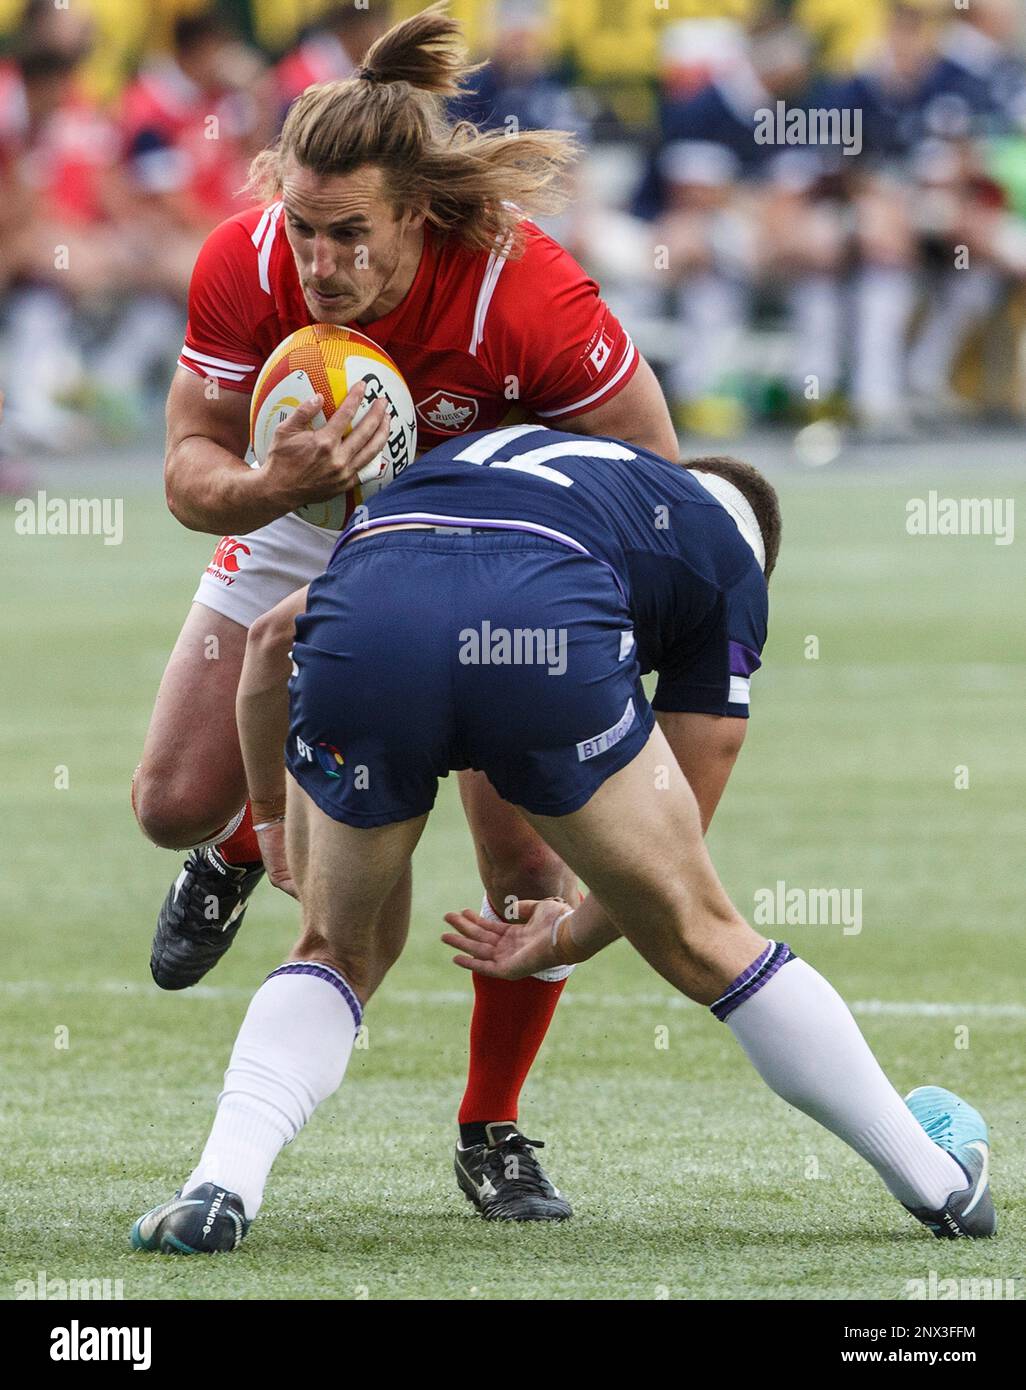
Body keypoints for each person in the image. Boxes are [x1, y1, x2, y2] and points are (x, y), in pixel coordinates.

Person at [130, 421, 994, 1253]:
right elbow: (676, 845)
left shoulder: (529, 469)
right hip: (543, 628)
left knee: (336, 950)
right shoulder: (722, 555)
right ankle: (939, 1182)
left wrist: (275, 821)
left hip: (371, 619)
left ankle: (219, 1187)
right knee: (704, 933)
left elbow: (273, 637)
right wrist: (565, 934)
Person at [132, 2, 676, 1221]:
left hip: (481, 548)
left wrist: (569, 605)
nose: (317, 266)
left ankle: (492, 1127)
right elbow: (186, 472)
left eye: (347, 237)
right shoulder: (247, 258)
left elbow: (654, 470)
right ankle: (233, 845)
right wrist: (271, 485)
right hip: (303, 513)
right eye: (302, 231)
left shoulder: (522, 291)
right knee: (170, 803)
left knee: (524, 858)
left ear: (416, 217)